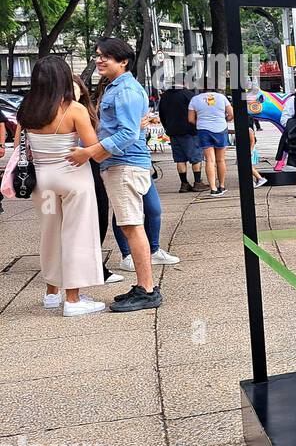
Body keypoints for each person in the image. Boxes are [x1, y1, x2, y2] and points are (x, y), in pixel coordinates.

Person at [68, 39, 160, 312]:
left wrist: (90, 152)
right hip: (120, 164)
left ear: (124, 61)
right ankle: (145, 286)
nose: (100, 60)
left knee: (132, 226)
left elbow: (129, 134)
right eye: (98, 55)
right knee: (130, 225)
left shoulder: (125, 91)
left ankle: (147, 290)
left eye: (106, 57)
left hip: (125, 165)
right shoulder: (117, 88)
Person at [16, 56, 107, 315]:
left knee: (50, 234)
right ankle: (74, 300)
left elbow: (20, 146)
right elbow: (93, 148)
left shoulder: (27, 108)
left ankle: (51, 294)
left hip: (41, 181)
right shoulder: (73, 109)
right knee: (77, 234)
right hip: (73, 176)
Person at [188, 86, 234, 198]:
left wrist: (201, 123)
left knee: (210, 160)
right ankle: (222, 186)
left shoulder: (195, 99)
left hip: (203, 131)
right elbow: (231, 114)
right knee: (221, 160)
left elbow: (190, 119)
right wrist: (224, 120)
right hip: (220, 129)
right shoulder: (222, 97)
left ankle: (213, 188)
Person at [157, 83, 203, 190]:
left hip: (173, 132)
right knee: (196, 158)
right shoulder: (189, 95)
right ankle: (197, 182)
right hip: (190, 131)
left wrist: (167, 127)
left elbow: (161, 115)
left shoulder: (164, 96)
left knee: (180, 159)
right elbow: (197, 112)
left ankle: (184, 184)